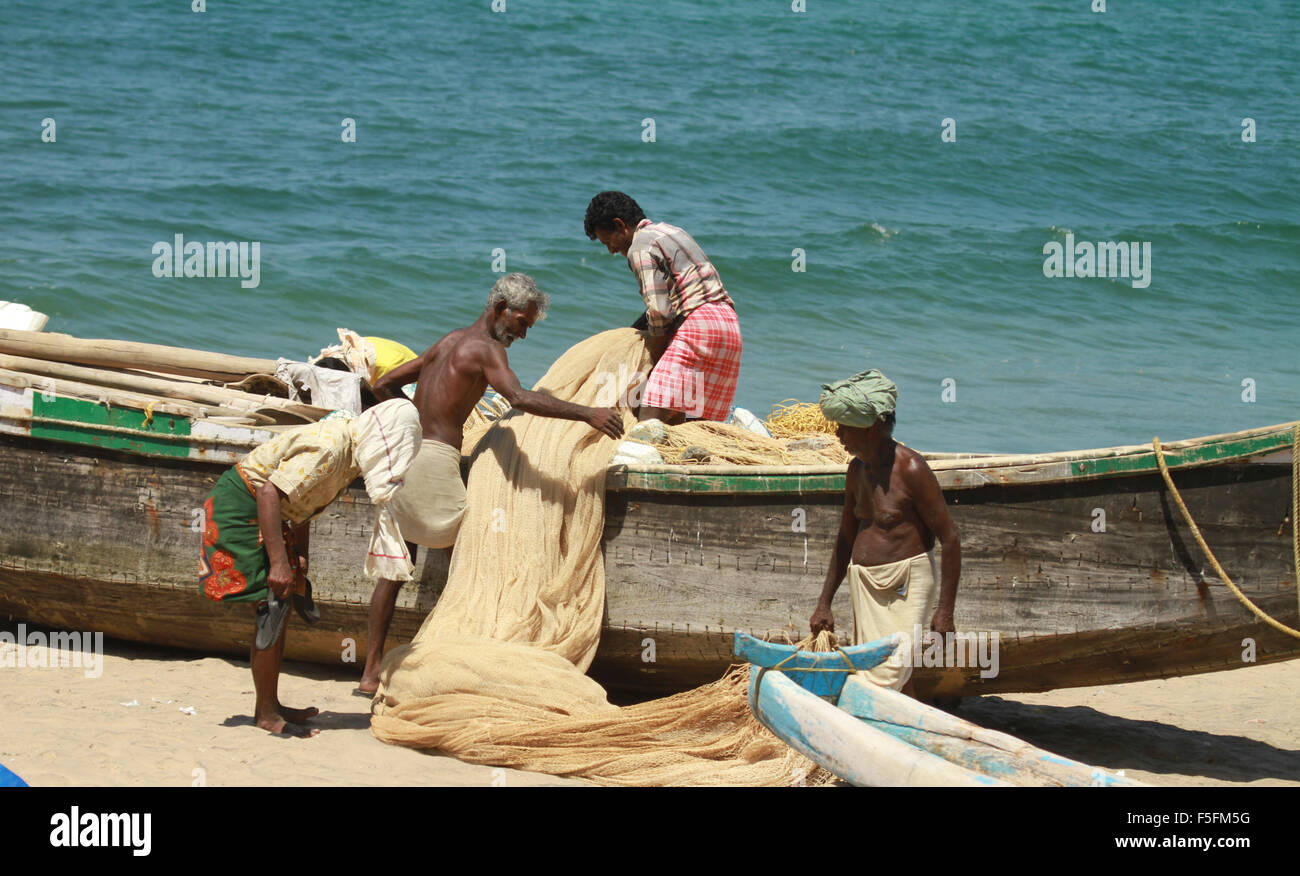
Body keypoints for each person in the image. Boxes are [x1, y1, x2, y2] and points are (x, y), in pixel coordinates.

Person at [361, 272, 624, 694]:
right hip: (437, 462)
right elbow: (518, 397)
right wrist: (587, 413)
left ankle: (370, 671)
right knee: (481, 541)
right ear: (500, 308)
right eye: (521, 322)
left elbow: (383, 384)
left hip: (407, 461)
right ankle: (458, 642)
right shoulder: (487, 350)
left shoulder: (449, 340)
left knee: (394, 568)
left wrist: (406, 422)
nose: (522, 333)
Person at [199, 398, 422, 736]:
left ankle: (270, 704)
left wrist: (300, 554)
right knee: (272, 607)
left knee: (282, 605)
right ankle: (266, 713)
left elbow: (298, 497)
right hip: (242, 506)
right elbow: (269, 494)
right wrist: (278, 562)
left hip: (271, 512)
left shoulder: (351, 447)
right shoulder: (332, 450)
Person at [808, 370, 960, 694]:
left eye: (845, 426)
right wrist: (824, 603)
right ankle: (898, 732)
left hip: (906, 585)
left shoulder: (911, 469)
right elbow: (845, 538)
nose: (838, 434)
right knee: (878, 674)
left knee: (891, 670)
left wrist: (944, 611)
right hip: (864, 585)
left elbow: (950, 538)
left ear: (872, 427)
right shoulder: (855, 471)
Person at [583, 191, 742, 423]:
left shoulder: (639, 247)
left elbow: (659, 311)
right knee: (700, 421)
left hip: (697, 325)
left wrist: (652, 357)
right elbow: (678, 295)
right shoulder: (672, 231)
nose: (611, 250)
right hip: (728, 325)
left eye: (609, 242)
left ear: (620, 225)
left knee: (650, 413)